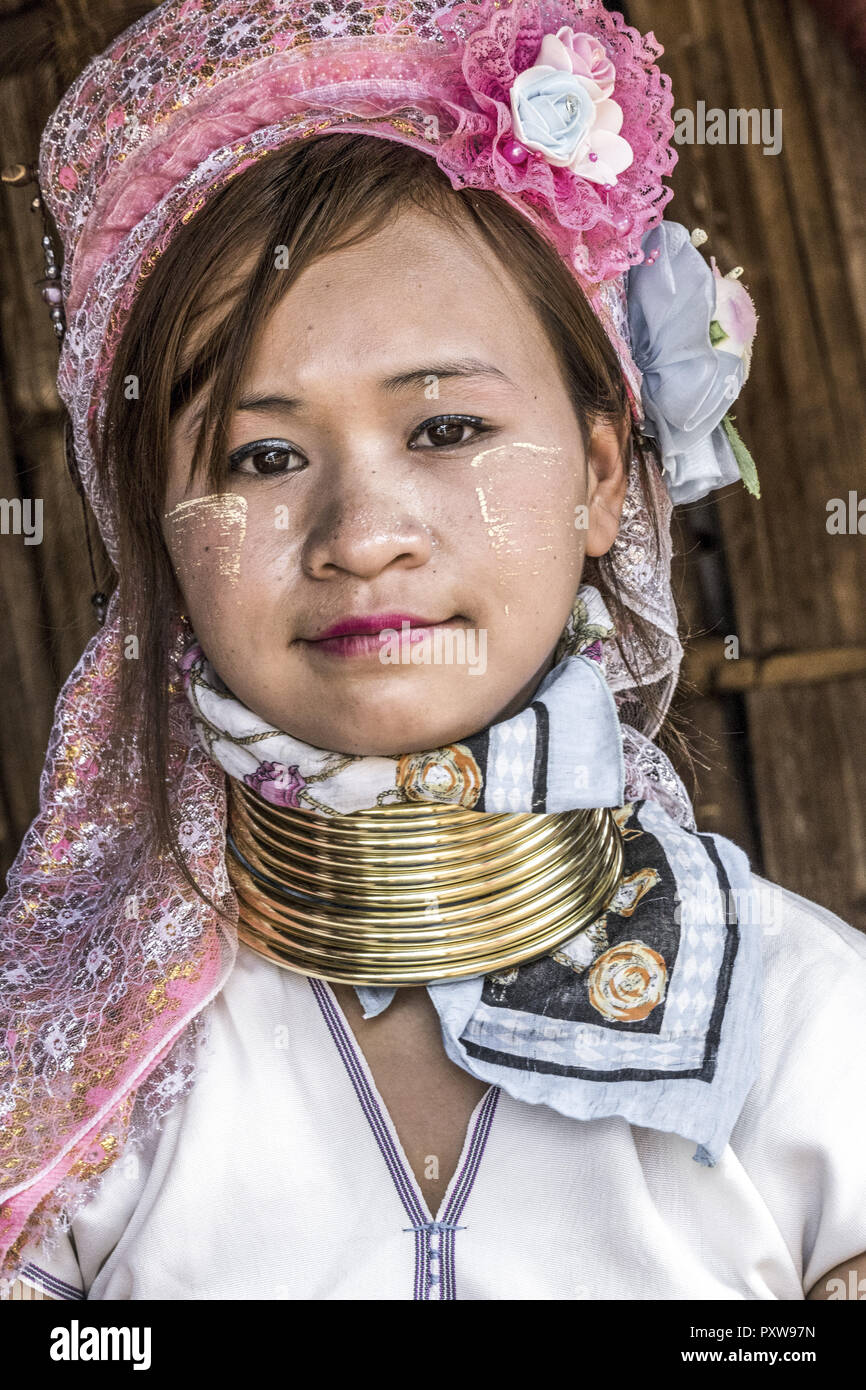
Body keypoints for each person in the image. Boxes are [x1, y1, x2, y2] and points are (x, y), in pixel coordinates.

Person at [1, 0, 865, 1302]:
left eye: (447, 428)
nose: (362, 535)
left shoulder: (807, 1030)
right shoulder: (59, 1110)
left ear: (596, 478)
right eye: (264, 455)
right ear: (155, 535)